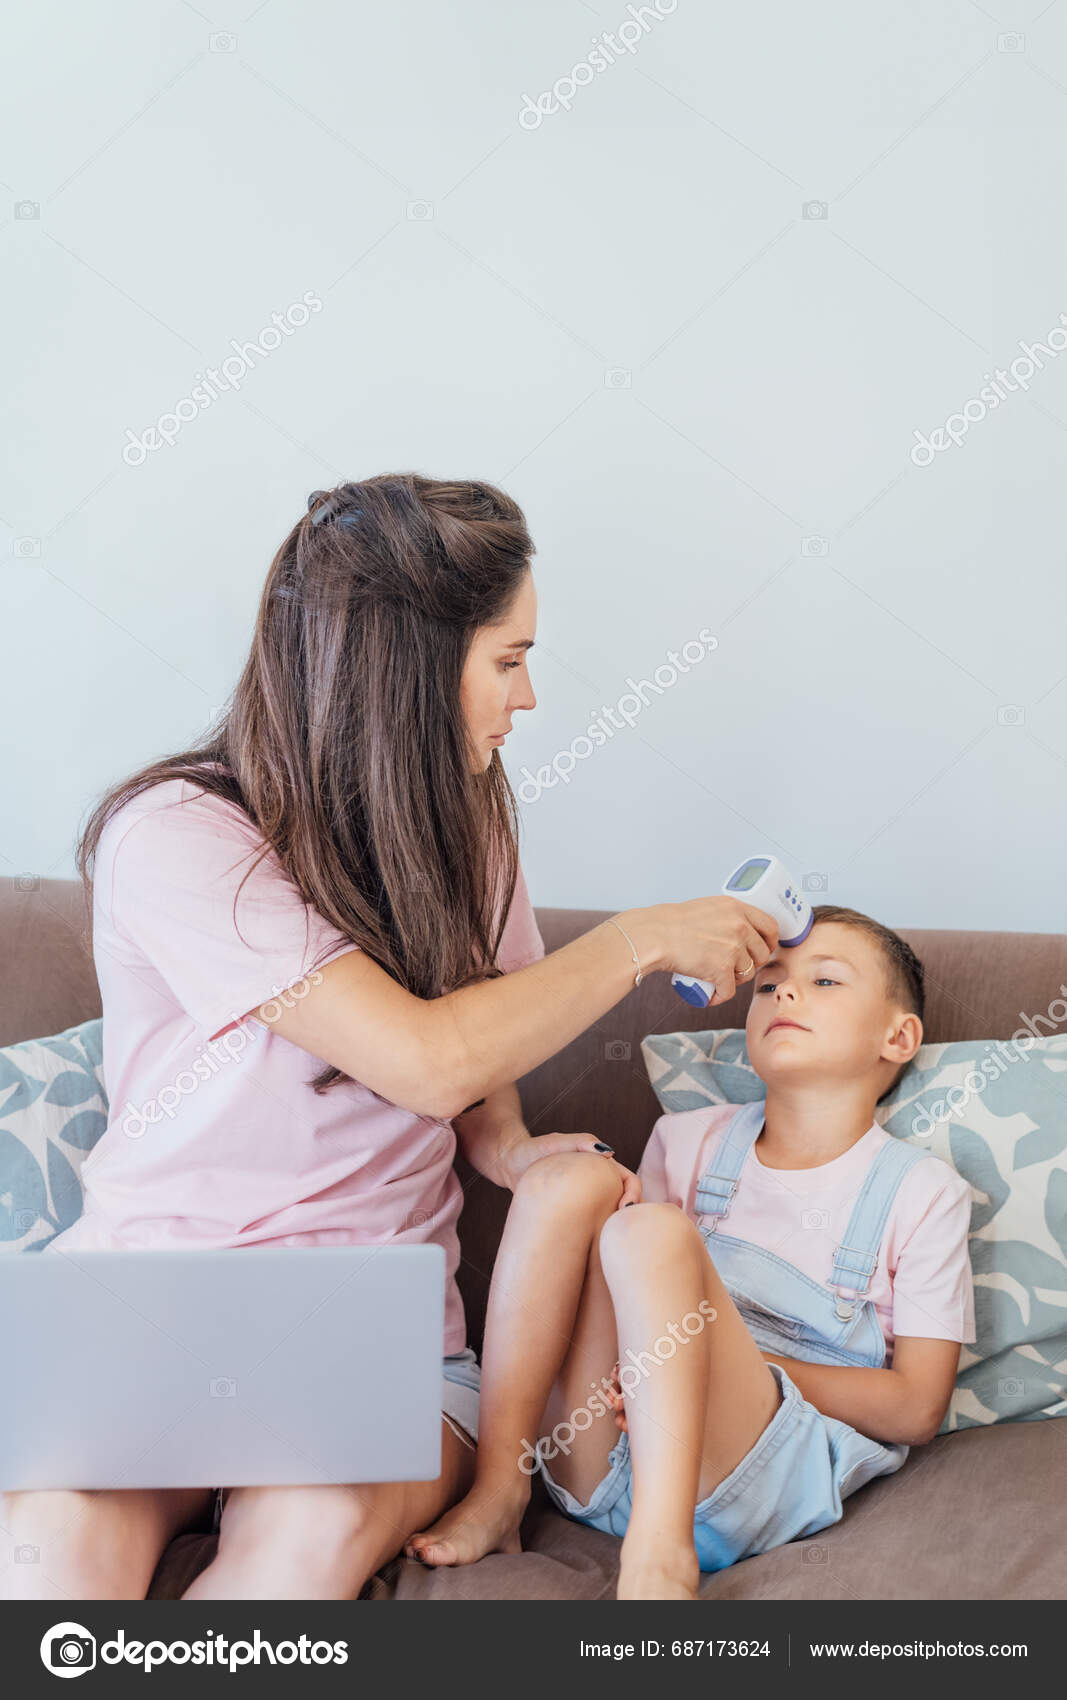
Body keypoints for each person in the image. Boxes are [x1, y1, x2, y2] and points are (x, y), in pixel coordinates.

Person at [1, 474, 776, 1602]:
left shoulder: (467, 827)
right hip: (151, 1305)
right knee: (54, 1555)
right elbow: (425, 1055)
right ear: (406, 668)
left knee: (304, 1546)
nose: (527, 696)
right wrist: (638, 938)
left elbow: (477, 1060)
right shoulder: (178, 834)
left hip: (370, 1336)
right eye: (507, 659)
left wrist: (508, 1148)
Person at [406, 905, 976, 1600]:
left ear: (898, 1036)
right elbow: (631, 1291)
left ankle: (660, 1551)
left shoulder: (921, 1191)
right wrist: (644, 1366)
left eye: (824, 981)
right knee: (571, 1178)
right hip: (600, 1456)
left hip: (753, 1477)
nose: (785, 993)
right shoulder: (687, 1139)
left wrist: (694, 1361)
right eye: (768, 984)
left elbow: (916, 1408)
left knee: (652, 1231)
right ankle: (500, 1488)